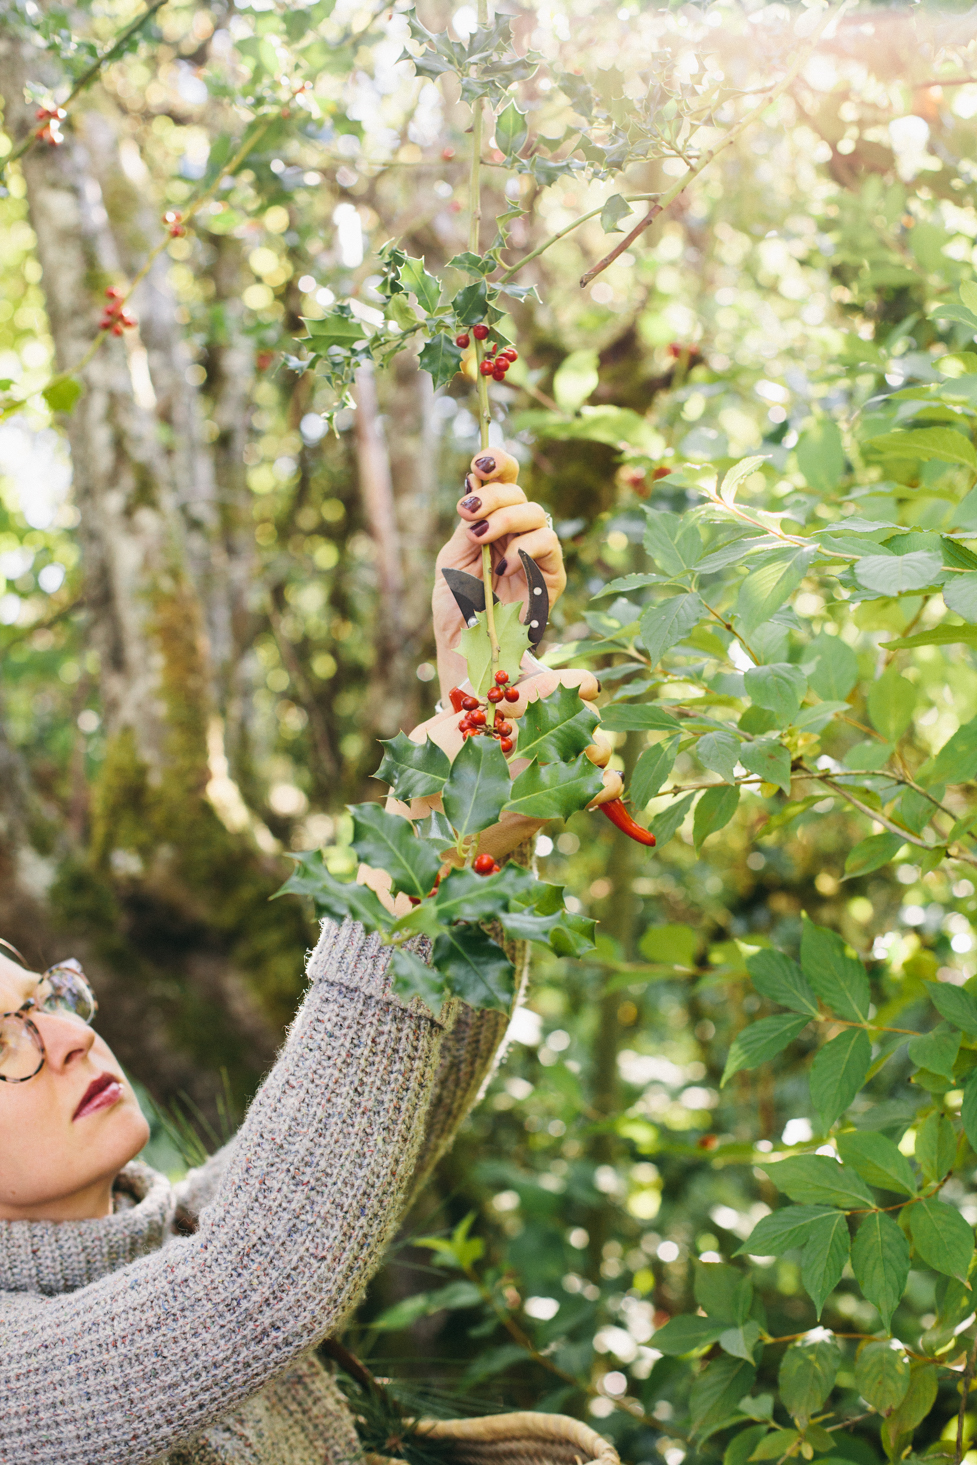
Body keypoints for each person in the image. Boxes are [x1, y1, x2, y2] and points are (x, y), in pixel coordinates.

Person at [0, 453, 620, 1465]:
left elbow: (408, 1096)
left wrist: (481, 694)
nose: (68, 1035)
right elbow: (254, 1287)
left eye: (49, 998)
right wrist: (413, 847)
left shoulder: (167, 1226)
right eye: (5, 1043)